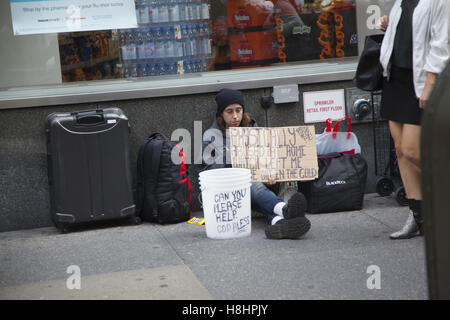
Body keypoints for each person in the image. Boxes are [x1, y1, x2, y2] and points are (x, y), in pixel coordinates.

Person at [378, 0, 450, 239]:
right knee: (400, 150)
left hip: (421, 80)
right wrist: (391, 25)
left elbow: (442, 42)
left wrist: (431, 83)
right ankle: (418, 216)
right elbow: (412, 29)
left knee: (412, 149)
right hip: (396, 76)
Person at [200, 88, 311, 239]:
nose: (235, 116)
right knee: (251, 182)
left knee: (256, 183)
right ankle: (284, 209)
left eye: (238, 110)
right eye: (229, 111)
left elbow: (265, 159)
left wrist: (269, 175)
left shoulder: (252, 127)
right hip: (229, 194)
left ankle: (279, 222)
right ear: (221, 114)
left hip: (258, 189)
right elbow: (211, 173)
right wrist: (233, 156)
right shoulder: (211, 137)